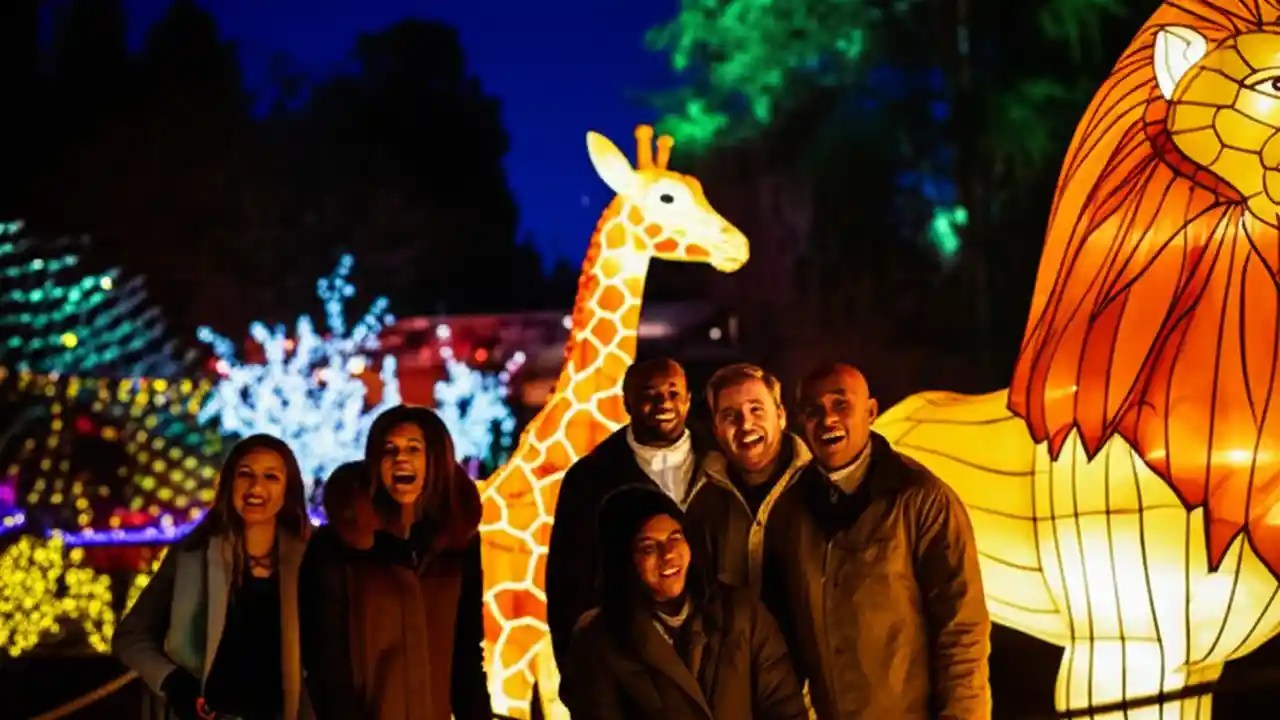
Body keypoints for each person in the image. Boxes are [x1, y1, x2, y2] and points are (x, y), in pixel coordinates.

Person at [765, 363, 991, 719]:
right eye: (814, 411)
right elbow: (780, 639)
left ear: (870, 412)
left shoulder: (921, 500)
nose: (828, 420)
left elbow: (961, 631)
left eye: (841, 405)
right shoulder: (790, 512)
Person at [298, 405, 491, 720]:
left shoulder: (457, 543)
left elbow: (466, 654)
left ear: (434, 462)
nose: (401, 458)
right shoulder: (337, 546)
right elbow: (325, 662)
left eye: (414, 449)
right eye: (390, 450)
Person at [564, 484, 807, 720]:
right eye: (649, 547)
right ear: (623, 560)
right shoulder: (598, 642)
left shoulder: (742, 613)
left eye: (675, 538)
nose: (668, 554)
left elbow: (784, 708)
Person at [113, 434, 312, 720]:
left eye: (271, 477)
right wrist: (173, 683)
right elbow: (130, 636)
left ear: (287, 491)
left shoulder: (312, 557)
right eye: (245, 474)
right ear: (229, 482)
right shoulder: (193, 554)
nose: (256, 487)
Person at [547, 357, 714, 668]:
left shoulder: (723, 460)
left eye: (673, 393)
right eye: (649, 394)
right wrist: (574, 672)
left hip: (720, 653)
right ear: (627, 402)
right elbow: (567, 582)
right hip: (628, 661)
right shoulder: (590, 478)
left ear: (689, 400)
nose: (663, 402)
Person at [685, 363, 810, 594]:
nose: (745, 424)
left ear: (781, 416)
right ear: (716, 430)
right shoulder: (702, 501)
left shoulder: (821, 487)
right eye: (729, 415)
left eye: (756, 409)